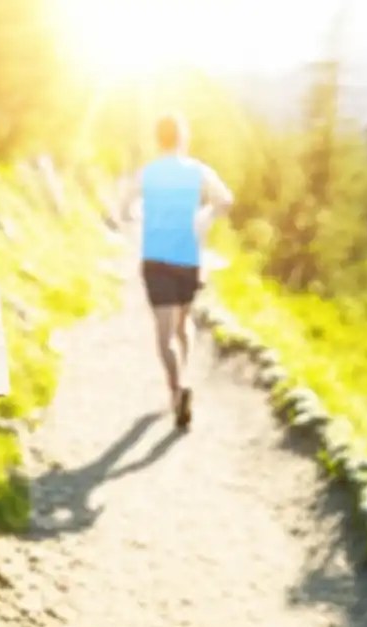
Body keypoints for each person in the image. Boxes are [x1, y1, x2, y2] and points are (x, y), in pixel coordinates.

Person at [122, 113, 234, 429]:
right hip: (189, 258)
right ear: (183, 138)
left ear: (158, 139)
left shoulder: (147, 174)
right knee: (184, 325)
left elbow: (124, 209)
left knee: (164, 336)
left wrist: (139, 218)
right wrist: (205, 217)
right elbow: (225, 200)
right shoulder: (198, 171)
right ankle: (184, 378)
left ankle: (177, 389)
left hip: (156, 258)